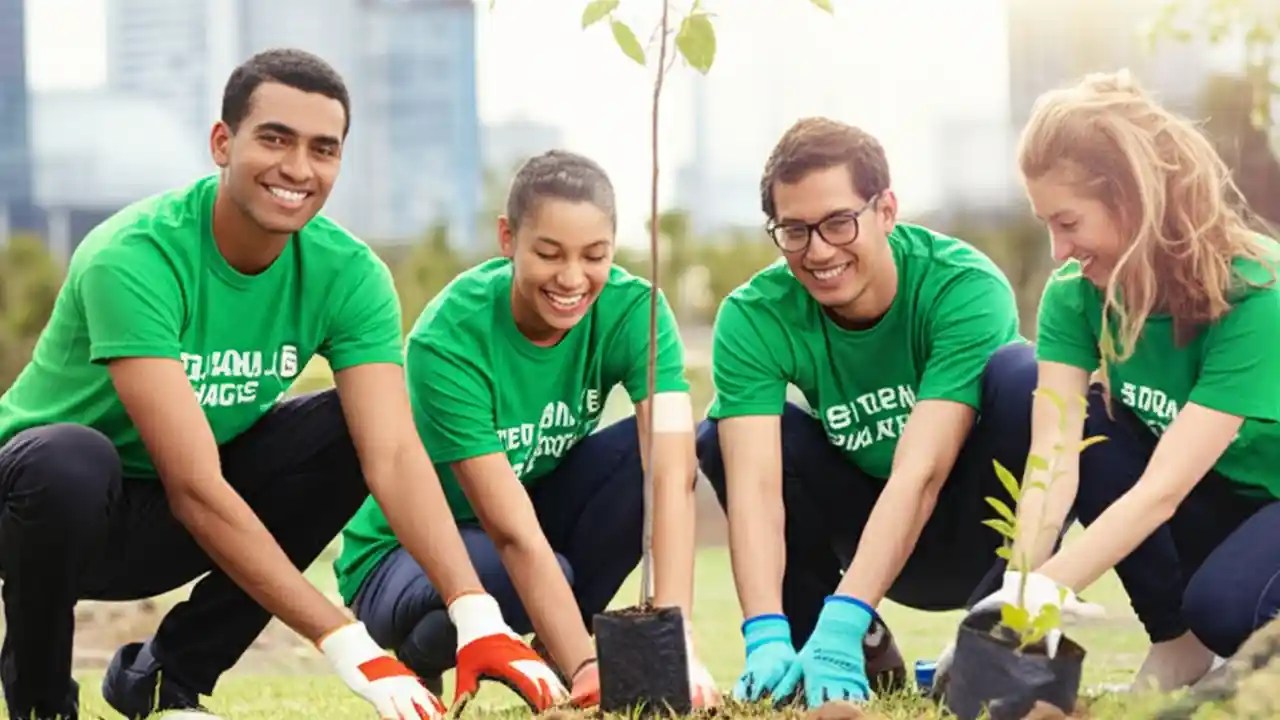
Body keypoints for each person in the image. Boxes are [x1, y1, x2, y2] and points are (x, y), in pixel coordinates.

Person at [0, 49, 564, 720]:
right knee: (72, 460)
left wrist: (476, 615)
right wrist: (347, 642)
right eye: (275, 139)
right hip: (41, 512)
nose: (298, 168)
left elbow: (393, 454)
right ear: (222, 143)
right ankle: (40, 702)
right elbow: (195, 486)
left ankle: (166, 678)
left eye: (322, 149)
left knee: (344, 430)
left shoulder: (349, 274)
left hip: (172, 519)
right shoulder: (133, 255)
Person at [334, 149, 721, 710]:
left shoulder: (636, 311)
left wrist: (674, 642)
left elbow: (670, 471)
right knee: (529, 572)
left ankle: (549, 644)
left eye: (595, 256)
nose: (572, 278)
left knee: (670, 453)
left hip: (529, 513)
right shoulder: (449, 340)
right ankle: (426, 656)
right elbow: (512, 531)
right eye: (548, 253)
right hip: (405, 554)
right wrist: (588, 667)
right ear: (507, 238)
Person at [952, 69, 1280, 693]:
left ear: (1132, 198)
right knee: (1094, 435)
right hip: (1220, 497)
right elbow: (1055, 459)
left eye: (1069, 222)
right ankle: (1178, 648)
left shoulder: (1254, 294)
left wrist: (1044, 593)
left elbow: (1162, 489)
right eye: (1046, 223)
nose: (1057, 249)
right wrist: (1008, 604)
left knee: (1226, 606)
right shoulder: (1076, 296)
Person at [695, 116, 1040, 709]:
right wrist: (763, 631)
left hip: (978, 534)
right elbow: (754, 488)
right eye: (794, 230)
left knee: (1027, 380)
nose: (818, 251)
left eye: (838, 222)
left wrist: (845, 614)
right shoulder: (754, 316)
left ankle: (998, 638)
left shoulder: (961, 286)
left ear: (886, 210)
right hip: (867, 533)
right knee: (719, 435)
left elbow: (923, 471)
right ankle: (845, 650)